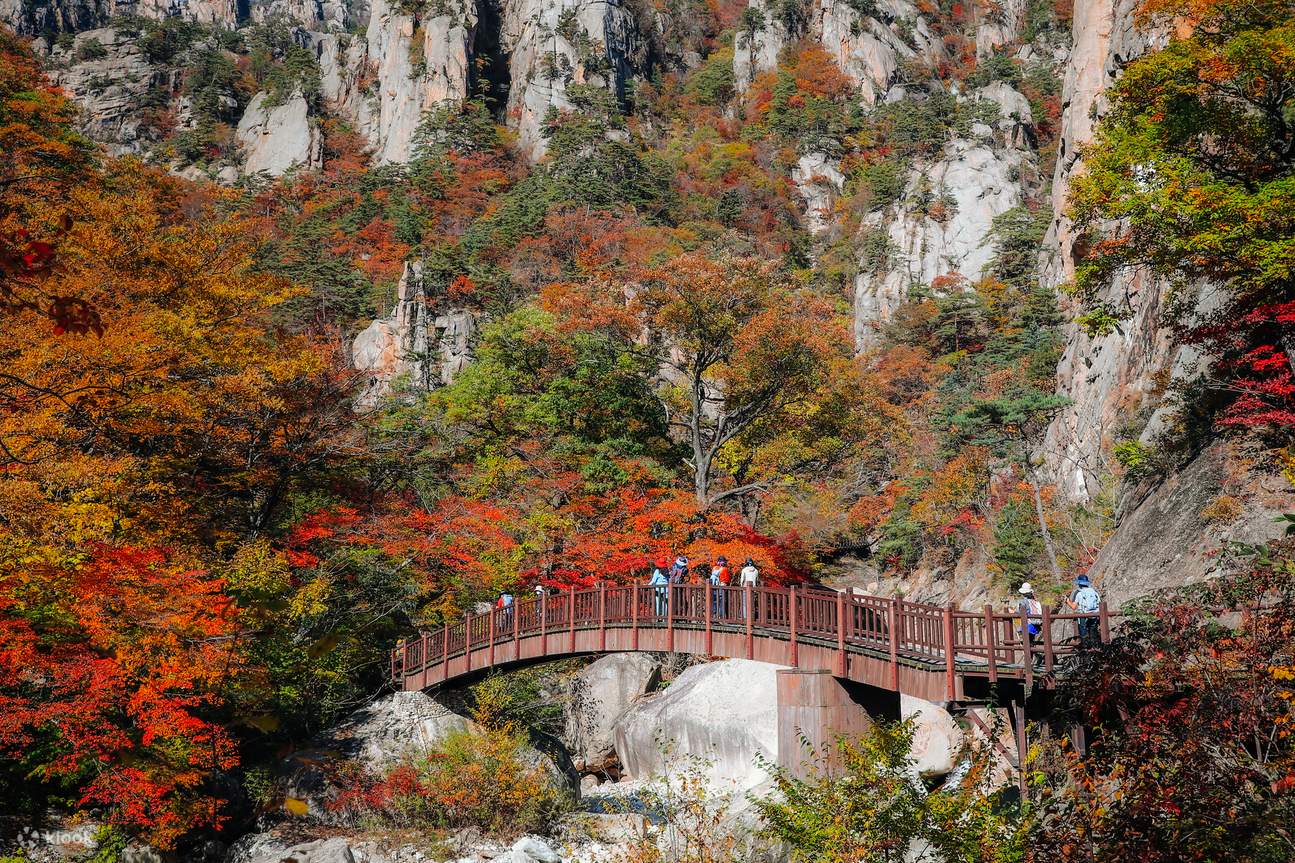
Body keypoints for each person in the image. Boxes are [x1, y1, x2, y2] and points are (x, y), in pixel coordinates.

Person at [1065, 574, 1102, 647]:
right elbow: (1099, 603)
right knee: (1093, 633)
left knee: (1083, 634)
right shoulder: (1094, 591)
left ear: (1079, 583)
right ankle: (1095, 649)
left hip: (1083, 616)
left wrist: (1067, 601)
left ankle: (1085, 649)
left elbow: (1073, 607)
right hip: (1094, 615)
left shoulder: (1078, 592)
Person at [1017, 582, 1044, 668]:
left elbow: (1020, 612)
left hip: (1027, 625)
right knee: (1030, 643)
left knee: (1026, 644)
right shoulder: (1035, 601)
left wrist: (1012, 612)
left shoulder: (1023, 602)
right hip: (1035, 625)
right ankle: (1033, 659)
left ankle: (1029, 662)